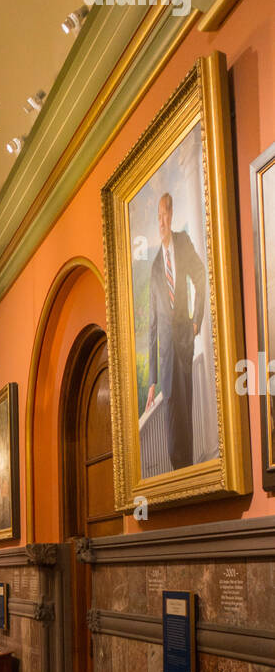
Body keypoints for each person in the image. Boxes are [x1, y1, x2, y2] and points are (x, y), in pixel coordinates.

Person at [144, 193, 206, 471]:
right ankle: (179, 481)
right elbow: (153, 328)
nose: (162, 220)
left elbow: (201, 276)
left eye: (166, 213)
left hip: (185, 345)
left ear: (172, 214)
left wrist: (197, 320)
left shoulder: (183, 243)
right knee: (171, 434)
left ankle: (191, 476)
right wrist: (152, 380)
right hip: (167, 360)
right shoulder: (156, 267)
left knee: (186, 421)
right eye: (158, 216)